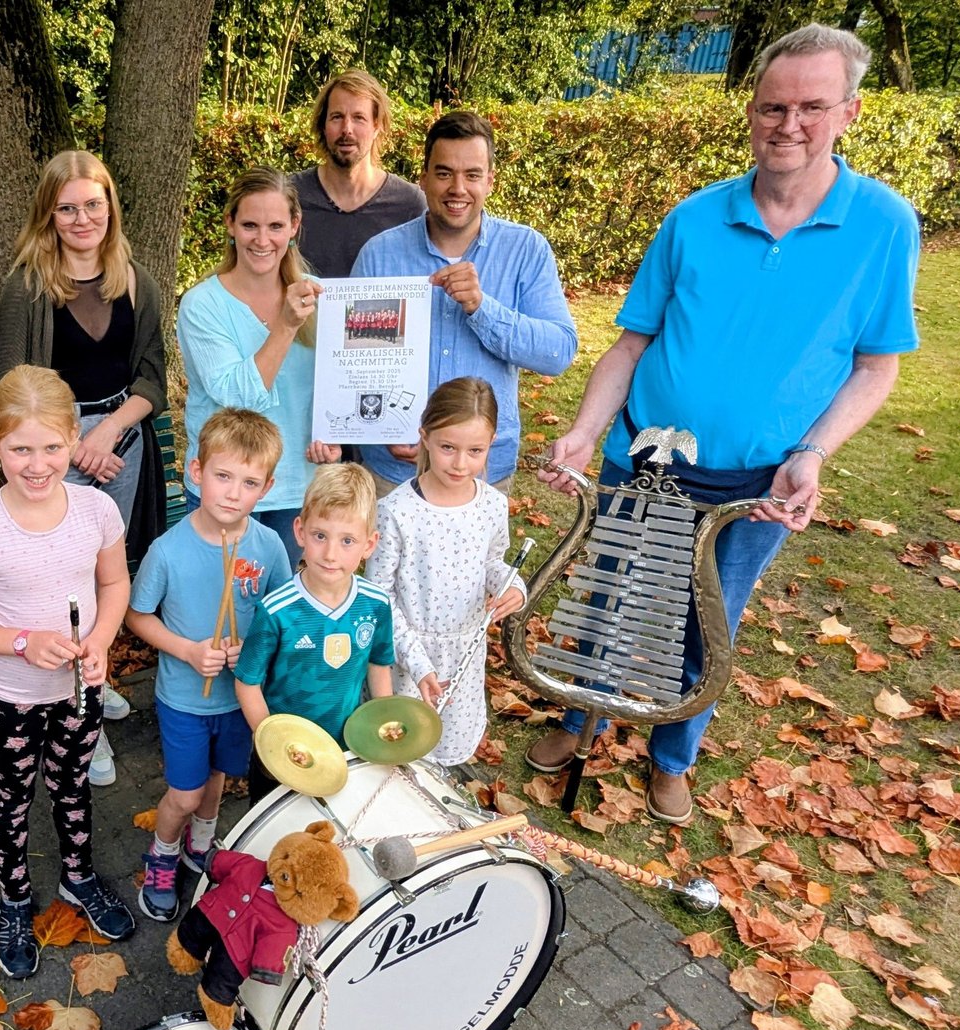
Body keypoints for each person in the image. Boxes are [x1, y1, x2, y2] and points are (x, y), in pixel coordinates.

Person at [530, 24, 921, 825]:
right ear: (752, 111)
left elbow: (876, 364)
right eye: (774, 107)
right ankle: (578, 717)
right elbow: (632, 341)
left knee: (710, 618)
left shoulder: (883, 224)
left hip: (759, 479)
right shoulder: (695, 219)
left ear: (848, 112)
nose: (789, 125)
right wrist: (582, 428)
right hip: (644, 454)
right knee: (609, 596)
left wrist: (813, 451)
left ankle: (672, 755)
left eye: (811, 107)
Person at [0, 366, 136, 979]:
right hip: (11, 700)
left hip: (78, 693)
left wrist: (100, 639)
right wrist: (21, 641)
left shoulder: (96, 509)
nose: (38, 464)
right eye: (21, 449)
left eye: (52, 447)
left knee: (73, 789)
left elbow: (113, 581)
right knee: (12, 800)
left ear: (75, 438)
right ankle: (15, 895)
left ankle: (78, 878)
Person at [0, 149, 167, 782]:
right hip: (51, 451)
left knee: (101, 577)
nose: (83, 217)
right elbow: (10, 388)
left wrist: (113, 431)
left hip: (121, 441)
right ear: (50, 213)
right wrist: (67, 442)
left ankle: (91, 677)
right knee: (52, 578)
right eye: (68, 208)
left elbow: (152, 374)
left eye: (94, 204)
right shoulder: (26, 286)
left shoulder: (134, 280)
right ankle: (76, 719)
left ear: (110, 206)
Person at [350, 110, 579, 496]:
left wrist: (481, 308)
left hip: (482, 473)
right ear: (423, 180)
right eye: (444, 173)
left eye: (472, 175)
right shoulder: (381, 255)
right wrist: (381, 428)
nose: (458, 188)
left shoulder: (525, 250)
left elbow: (557, 353)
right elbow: (355, 361)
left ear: (490, 181)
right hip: (393, 471)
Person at [125, 408, 292, 920]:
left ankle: (202, 844)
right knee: (185, 789)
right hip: (183, 696)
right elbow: (136, 617)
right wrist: (187, 650)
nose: (232, 493)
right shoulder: (168, 550)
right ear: (196, 473)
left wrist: (257, 648)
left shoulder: (266, 545)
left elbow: (279, 612)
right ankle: (163, 854)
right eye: (222, 476)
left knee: (220, 775)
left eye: (248, 482)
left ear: (265, 488)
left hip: (240, 695)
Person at [177, 169, 340, 567]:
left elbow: (341, 382)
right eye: (250, 225)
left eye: (275, 226)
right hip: (225, 487)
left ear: (294, 226)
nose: (262, 240)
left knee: (283, 611)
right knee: (220, 614)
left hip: (297, 482)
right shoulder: (202, 305)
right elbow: (238, 396)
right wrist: (286, 325)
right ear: (230, 224)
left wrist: (336, 432)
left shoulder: (319, 295)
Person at [368, 378, 528, 770]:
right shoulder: (397, 511)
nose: (460, 463)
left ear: (491, 443)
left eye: (475, 451)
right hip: (408, 659)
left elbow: (493, 561)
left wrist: (514, 586)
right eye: (448, 448)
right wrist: (418, 662)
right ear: (424, 438)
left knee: (446, 755)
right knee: (400, 753)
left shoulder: (491, 504)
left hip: (464, 656)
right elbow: (379, 596)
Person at [234, 463, 395, 801]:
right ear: (300, 531)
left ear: (369, 544)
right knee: (274, 844)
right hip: (281, 758)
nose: (331, 553)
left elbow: (379, 665)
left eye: (347, 540)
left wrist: (383, 731)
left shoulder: (376, 604)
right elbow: (247, 682)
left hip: (345, 749)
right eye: (320, 535)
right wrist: (273, 744)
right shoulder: (277, 610)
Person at [292, 69, 426, 279]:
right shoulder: (290, 197)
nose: (347, 129)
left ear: (377, 126)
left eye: (359, 118)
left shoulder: (410, 205)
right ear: (323, 126)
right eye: (337, 117)